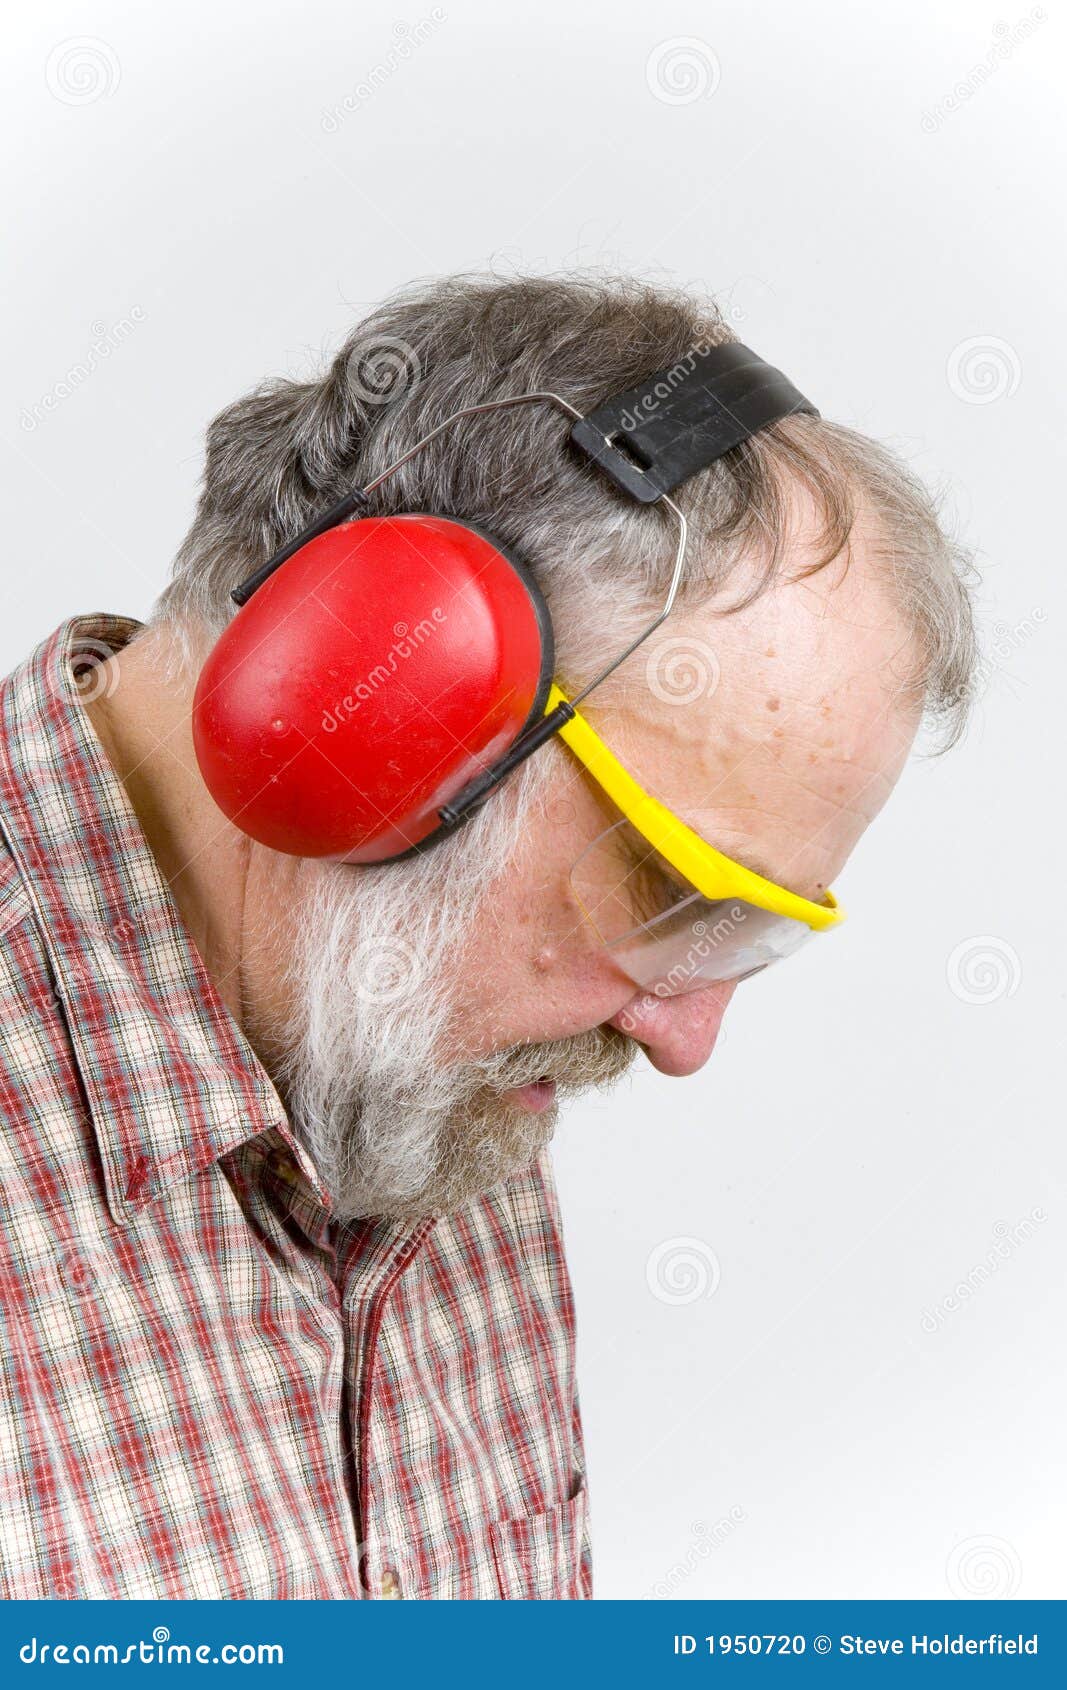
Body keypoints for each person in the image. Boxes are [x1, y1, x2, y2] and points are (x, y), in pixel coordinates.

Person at [0, 273, 977, 1599]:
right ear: (374, 696)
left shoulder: (413, 1049)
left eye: (752, 936)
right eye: (676, 895)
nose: (684, 1037)